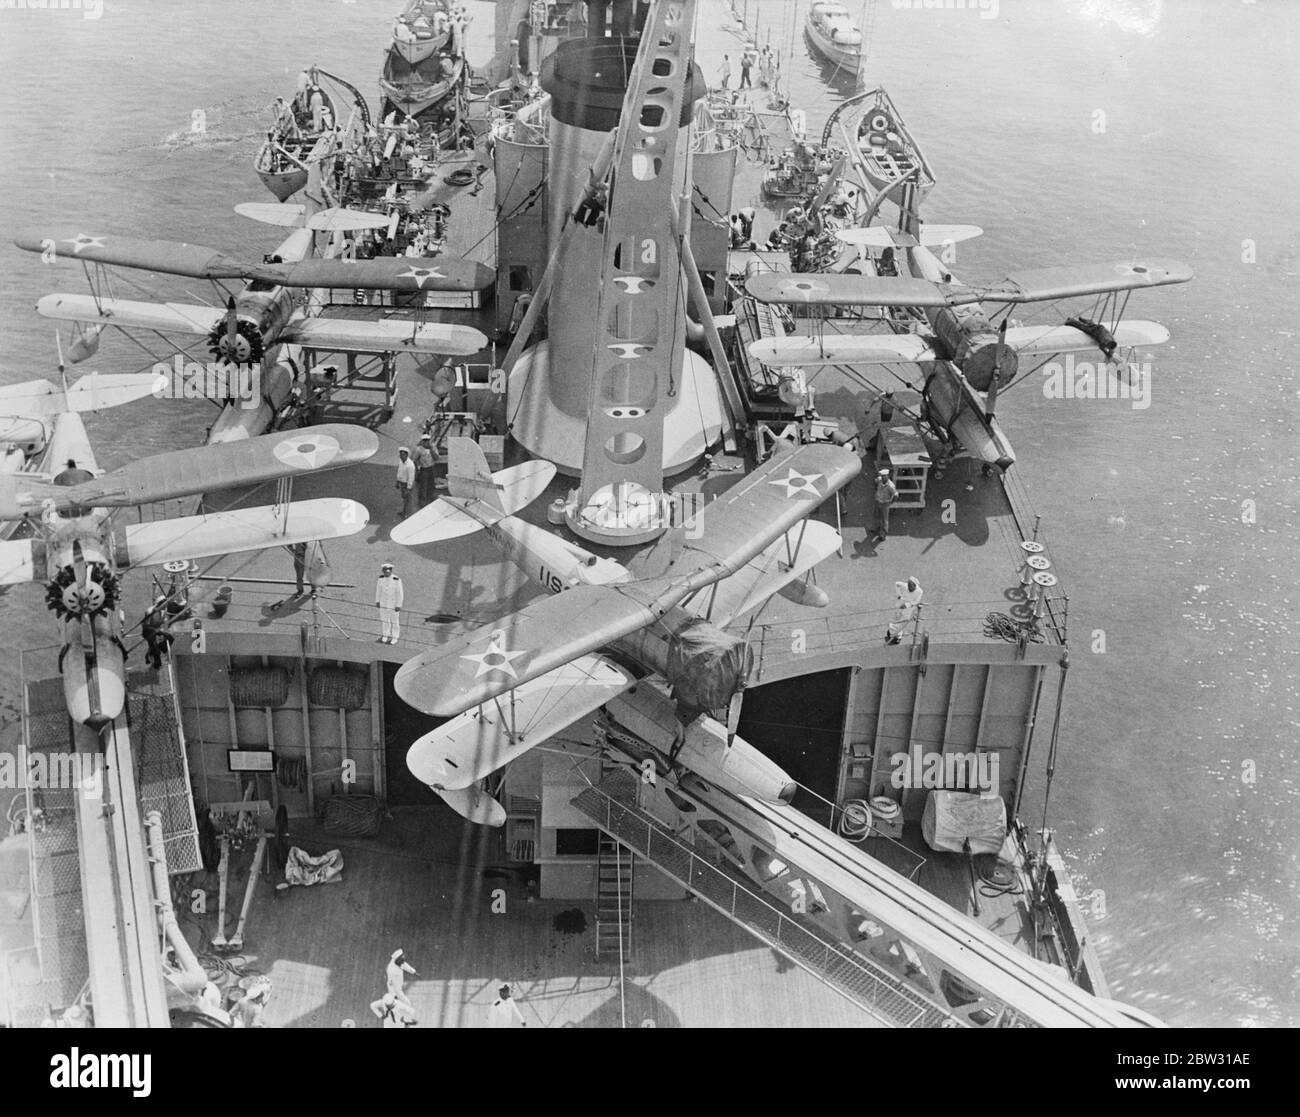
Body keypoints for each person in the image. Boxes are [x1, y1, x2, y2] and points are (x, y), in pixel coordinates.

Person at [886, 577, 923, 645]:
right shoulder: (905, 585)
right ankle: (891, 632)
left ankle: (898, 636)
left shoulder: (919, 591)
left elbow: (916, 601)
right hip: (901, 603)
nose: (909, 588)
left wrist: (907, 605)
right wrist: (899, 594)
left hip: (908, 608)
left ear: (915, 586)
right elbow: (897, 583)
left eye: (911, 586)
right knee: (896, 618)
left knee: (902, 621)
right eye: (908, 585)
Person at [375, 563, 404, 644]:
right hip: (383, 603)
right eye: (385, 571)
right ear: (383, 571)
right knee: (384, 620)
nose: (387, 573)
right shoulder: (380, 579)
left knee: (395, 621)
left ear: (391, 571)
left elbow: (400, 593)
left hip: (393, 605)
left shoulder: (396, 580)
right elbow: (378, 590)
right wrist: (377, 601)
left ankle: (395, 637)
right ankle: (385, 636)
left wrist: (399, 605)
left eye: (388, 571)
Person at [142, 596, 172, 670]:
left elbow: (162, 621)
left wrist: (160, 630)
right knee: (155, 649)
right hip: (148, 631)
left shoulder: (163, 611)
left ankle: (153, 651)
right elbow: (145, 625)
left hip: (156, 630)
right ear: (159, 604)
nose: (166, 606)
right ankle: (156, 665)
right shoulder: (150, 612)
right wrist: (155, 630)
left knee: (169, 637)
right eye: (164, 604)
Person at [412, 435, 437, 507]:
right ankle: (423, 501)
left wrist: (431, 450)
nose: (426, 442)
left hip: (431, 468)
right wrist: (417, 469)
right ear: (422, 441)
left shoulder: (433, 447)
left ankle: (431, 498)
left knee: (432, 484)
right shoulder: (419, 449)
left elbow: (436, 458)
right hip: (424, 469)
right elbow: (415, 460)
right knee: (424, 485)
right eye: (424, 440)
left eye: (427, 440)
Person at [874, 468, 898, 541]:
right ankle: (877, 528)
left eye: (884, 476)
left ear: (888, 476)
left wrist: (890, 502)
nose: (883, 477)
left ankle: (883, 534)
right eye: (882, 476)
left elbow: (896, 495)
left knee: (884, 519)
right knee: (877, 515)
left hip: (885, 503)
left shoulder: (891, 486)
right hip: (878, 501)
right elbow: (875, 482)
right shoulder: (879, 480)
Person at [395, 446, 416, 519]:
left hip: (406, 485)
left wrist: (408, 488)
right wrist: (397, 482)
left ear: (406, 455)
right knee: (404, 498)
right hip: (402, 483)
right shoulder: (401, 462)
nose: (400, 456)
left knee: (408, 500)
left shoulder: (410, 465)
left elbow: (411, 478)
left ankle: (407, 514)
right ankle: (404, 512)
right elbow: (399, 472)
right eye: (400, 454)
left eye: (402, 455)